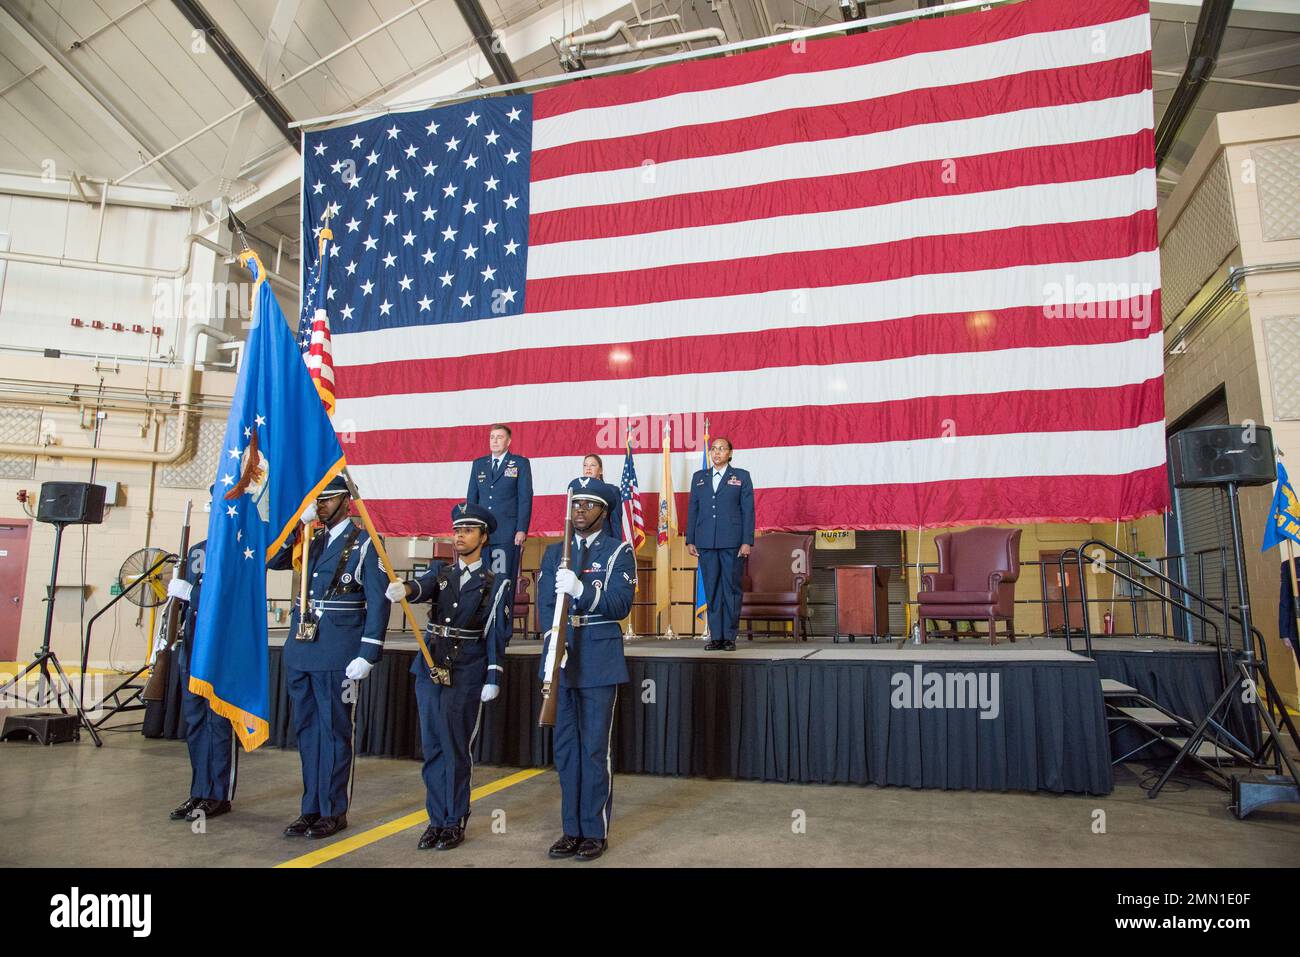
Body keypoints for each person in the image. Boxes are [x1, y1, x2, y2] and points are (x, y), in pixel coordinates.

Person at [268, 474, 390, 839]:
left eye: (326, 500)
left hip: (339, 649)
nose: (320, 506)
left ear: (345, 502)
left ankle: (333, 810)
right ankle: (310, 807)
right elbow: (272, 558)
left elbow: (379, 602)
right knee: (307, 732)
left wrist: (369, 651)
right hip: (302, 648)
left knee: (335, 731)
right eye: (317, 501)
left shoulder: (367, 542)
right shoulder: (310, 539)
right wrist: (295, 526)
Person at [385, 502, 512, 851]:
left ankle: (455, 819)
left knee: (455, 748)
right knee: (433, 747)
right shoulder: (442, 575)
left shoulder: (495, 584)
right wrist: (405, 590)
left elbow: (496, 634)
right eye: (457, 530)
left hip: (466, 671)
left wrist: (492, 675)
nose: (459, 536)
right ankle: (436, 819)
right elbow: (422, 588)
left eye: (468, 530)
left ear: (483, 538)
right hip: (430, 666)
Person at [537, 482, 636, 861]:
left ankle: (594, 830)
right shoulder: (553, 553)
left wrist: (583, 591)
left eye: (588, 504)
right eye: (575, 503)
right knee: (565, 751)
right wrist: (552, 644)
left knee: (594, 750)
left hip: (598, 659)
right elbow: (547, 605)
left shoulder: (618, 552)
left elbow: (619, 604)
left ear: (604, 511)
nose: (579, 509)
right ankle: (571, 830)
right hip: (562, 658)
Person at [166, 537, 238, 824]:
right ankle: (199, 790)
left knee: (218, 721)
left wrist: (192, 592)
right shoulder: (198, 548)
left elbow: (232, 594)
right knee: (196, 721)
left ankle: (219, 794)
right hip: (193, 644)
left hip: (221, 645)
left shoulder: (238, 543)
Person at [686, 437, 755, 651]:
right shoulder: (699, 477)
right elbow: (693, 510)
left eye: (721, 449)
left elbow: (748, 511)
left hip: (732, 542)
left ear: (730, 453)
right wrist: (691, 539)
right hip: (706, 541)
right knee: (712, 590)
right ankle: (716, 636)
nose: (716, 453)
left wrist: (746, 541)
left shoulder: (741, 476)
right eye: (713, 449)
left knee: (731, 590)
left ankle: (729, 637)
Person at [467, 424, 532, 591]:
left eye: (499, 437)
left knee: (500, 580)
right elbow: (472, 499)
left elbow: (525, 498)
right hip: (481, 536)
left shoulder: (519, 463)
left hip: (505, 534)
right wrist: (470, 529)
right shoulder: (479, 464)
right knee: (480, 581)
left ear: (508, 441)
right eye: (492, 437)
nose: (495, 441)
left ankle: (501, 617)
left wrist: (521, 529)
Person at [580, 454, 622, 542]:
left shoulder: (612, 491)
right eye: (585, 465)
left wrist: (616, 548)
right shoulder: (577, 492)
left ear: (601, 470)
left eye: (592, 465)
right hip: (582, 544)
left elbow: (616, 524)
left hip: (604, 544)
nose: (588, 468)